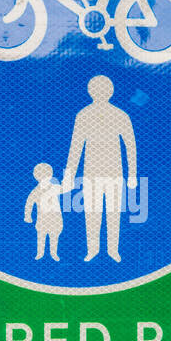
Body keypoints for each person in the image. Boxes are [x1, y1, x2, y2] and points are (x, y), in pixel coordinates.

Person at [63, 75, 137, 262]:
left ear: (111, 91)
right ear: (90, 91)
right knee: (92, 213)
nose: (100, 92)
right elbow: (76, 146)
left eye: (104, 89)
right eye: (96, 89)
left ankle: (113, 250)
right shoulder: (84, 115)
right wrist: (69, 175)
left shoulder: (120, 115)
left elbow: (130, 146)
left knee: (113, 213)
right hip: (91, 174)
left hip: (115, 173)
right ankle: (92, 250)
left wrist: (133, 174)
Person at [24, 163, 63, 261]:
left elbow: (66, 188)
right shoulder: (35, 191)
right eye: (42, 177)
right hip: (42, 220)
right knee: (41, 237)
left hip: (56, 220)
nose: (45, 179)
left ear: (51, 176)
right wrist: (28, 216)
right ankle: (40, 253)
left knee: (54, 237)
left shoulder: (56, 187)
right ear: (36, 177)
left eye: (47, 176)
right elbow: (29, 203)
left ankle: (54, 253)